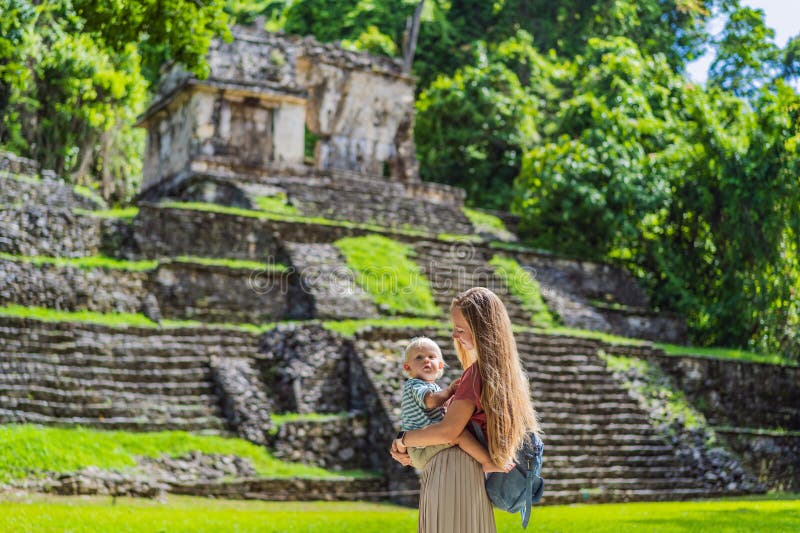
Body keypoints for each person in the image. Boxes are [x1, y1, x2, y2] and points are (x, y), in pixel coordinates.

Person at [391, 287, 541, 533]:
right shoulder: (507, 377)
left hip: (454, 474)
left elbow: (449, 432)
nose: (454, 335)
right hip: (468, 476)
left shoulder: (475, 374)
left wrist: (403, 440)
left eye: (460, 329)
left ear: (481, 330)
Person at [400, 336, 512, 472]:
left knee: (455, 430)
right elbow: (431, 402)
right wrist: (450, 390)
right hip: (420, 446)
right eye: (419, 357)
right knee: (458, 435)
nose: (426, 360)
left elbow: (444, 409)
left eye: (431, 356)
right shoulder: (415, 385)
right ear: (407, 367)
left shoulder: (433, 387)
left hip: (425, 441)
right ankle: (487, 462)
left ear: (440, 365)